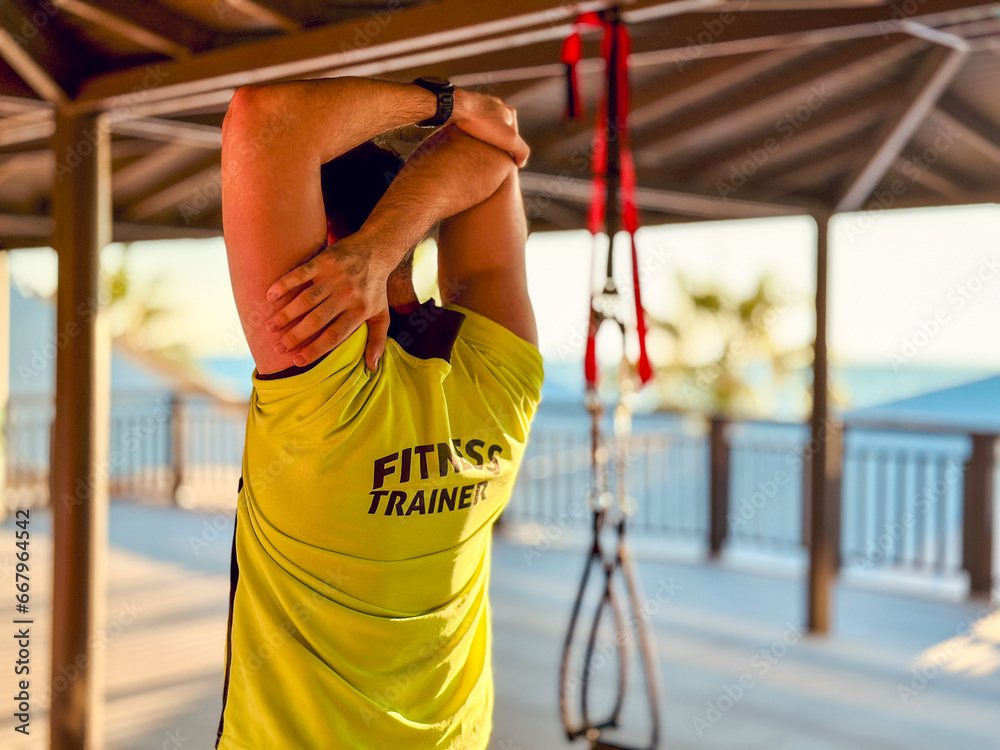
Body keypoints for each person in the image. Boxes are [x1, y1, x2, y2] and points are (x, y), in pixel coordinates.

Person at [215, 75, 543, 749]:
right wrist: (384, 242)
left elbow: (263, 116)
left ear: (323, 237)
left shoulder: (320, 382)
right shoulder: (499, 379)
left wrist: (460, 111)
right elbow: (498, 152)